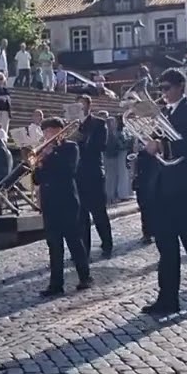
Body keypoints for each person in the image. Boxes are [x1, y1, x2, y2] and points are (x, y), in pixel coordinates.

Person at [141, 69, 187, 315]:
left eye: (167, 88)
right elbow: (153, 145)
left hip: (182, 186)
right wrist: (147, 144)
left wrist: (160, 145)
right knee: (165, 245)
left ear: (180, 86)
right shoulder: (162, 113)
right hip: (161, 186)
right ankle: (168, 299)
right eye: (161, 88)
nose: (163, 93)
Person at [32, 117, 93, 296]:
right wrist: (39, 164)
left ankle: (85, 277)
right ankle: (55, 284)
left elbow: (69, 170)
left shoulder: (70, 148)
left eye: (50, 131)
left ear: (60, 131)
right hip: (49, 202)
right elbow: (37, 179)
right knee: (54, 244)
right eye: (45, 132)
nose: (47, 135)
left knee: (74, 241)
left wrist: (52, 154)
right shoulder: (42, 152)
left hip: (67, 201)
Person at [75, 95, 114, 256]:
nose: (80, 107)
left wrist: (81, 138)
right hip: (77, 174)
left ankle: (107, 244)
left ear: (88, 106)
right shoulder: (72, 124)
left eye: (82, 105)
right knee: (81, 215)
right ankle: (84, 249)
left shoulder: (99, 123)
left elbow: (101, 146)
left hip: (93, 172)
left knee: (99, 213)